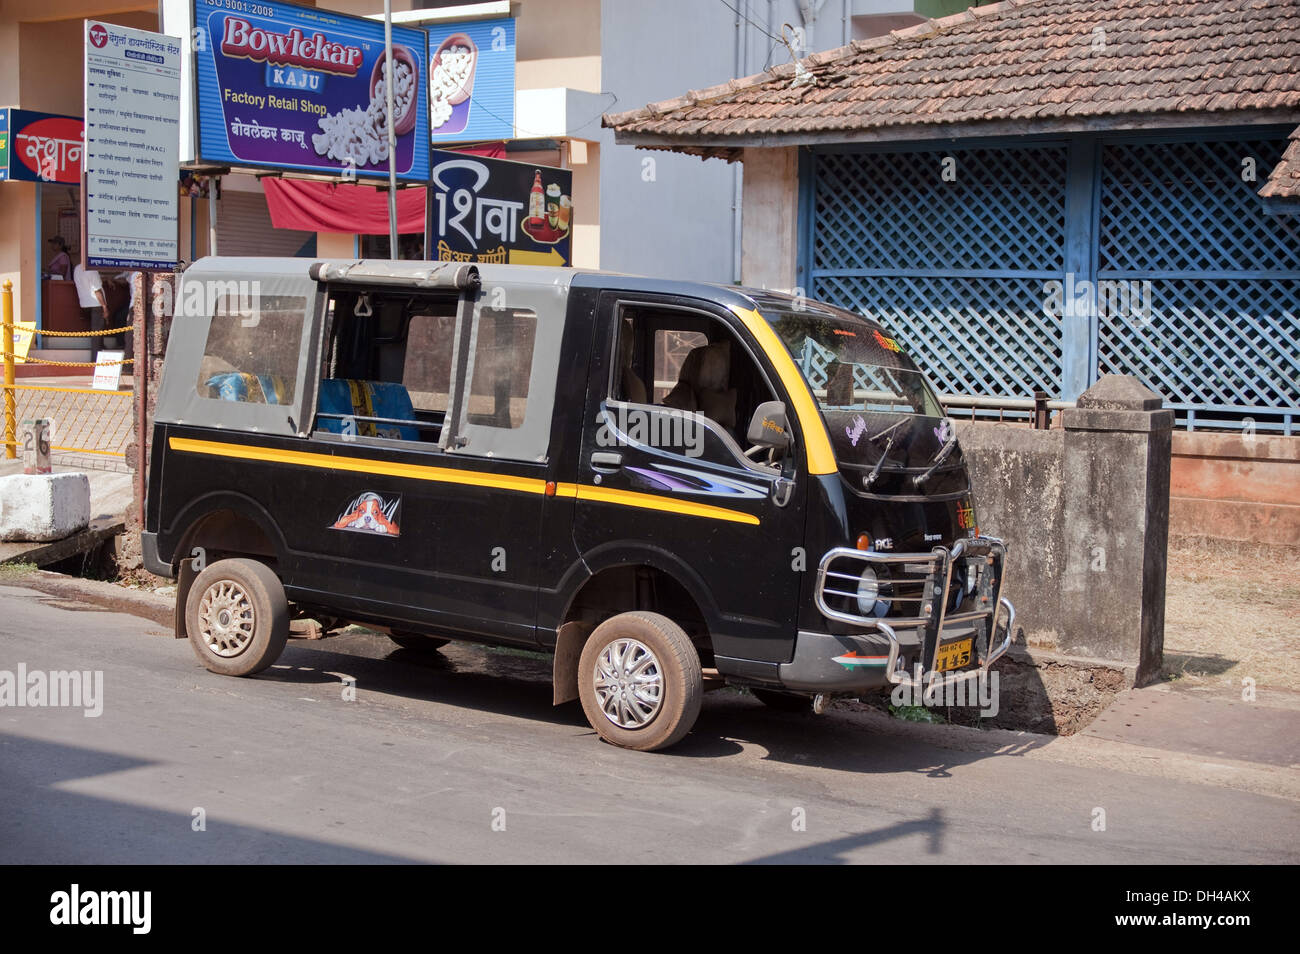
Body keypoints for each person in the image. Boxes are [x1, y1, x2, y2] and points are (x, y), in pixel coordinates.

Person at [73, 262, 110, 349]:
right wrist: (104, 307)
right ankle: (95, 358)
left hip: (84, 304)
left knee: (96, 333)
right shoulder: (92, 270)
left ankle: (101, 349)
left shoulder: (77, 268)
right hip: (96, 304)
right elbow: (97, 291)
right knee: (97, 335)